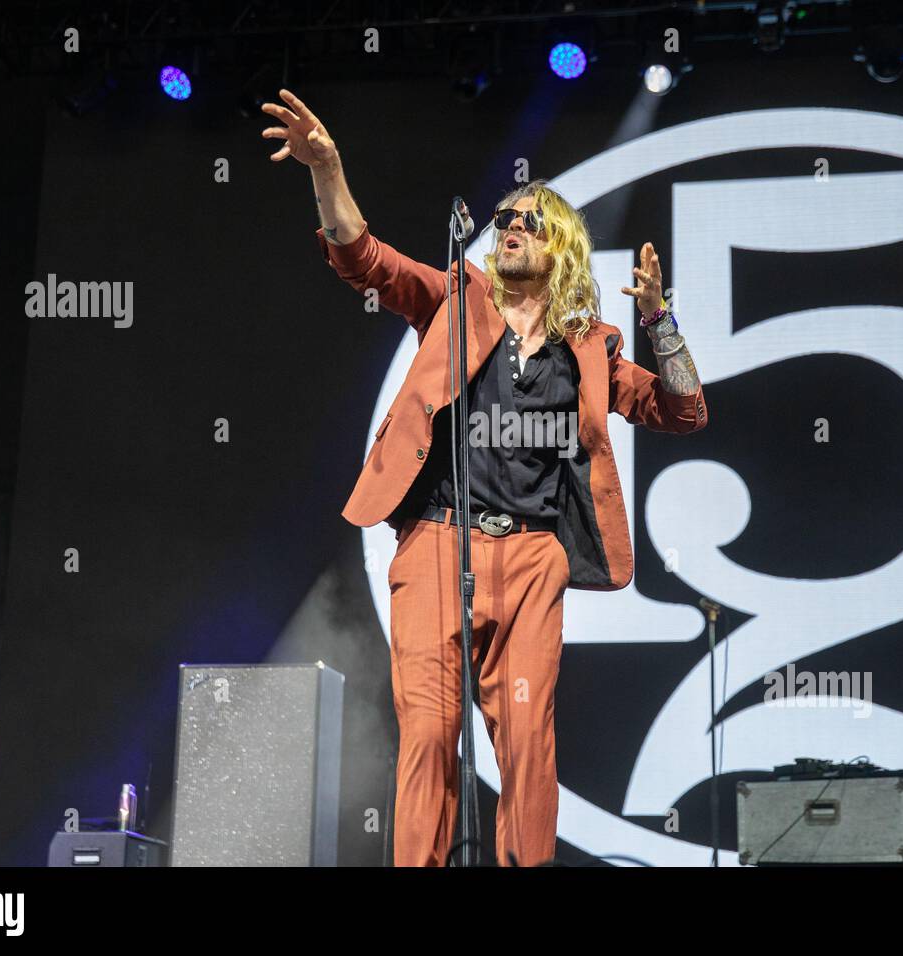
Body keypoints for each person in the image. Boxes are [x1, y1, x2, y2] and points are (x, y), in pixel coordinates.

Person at [262, 89, 708, 866]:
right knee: (430, 734)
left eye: (528, 219)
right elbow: (361, 257)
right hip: (438, 545)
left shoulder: (593, 347)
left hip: (533, 559)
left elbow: (684, 411)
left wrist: (661, 322)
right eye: (503, 219)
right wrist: (327, 170)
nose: (510, 227)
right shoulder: (455, 300)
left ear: (561, 246)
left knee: (530, 743)